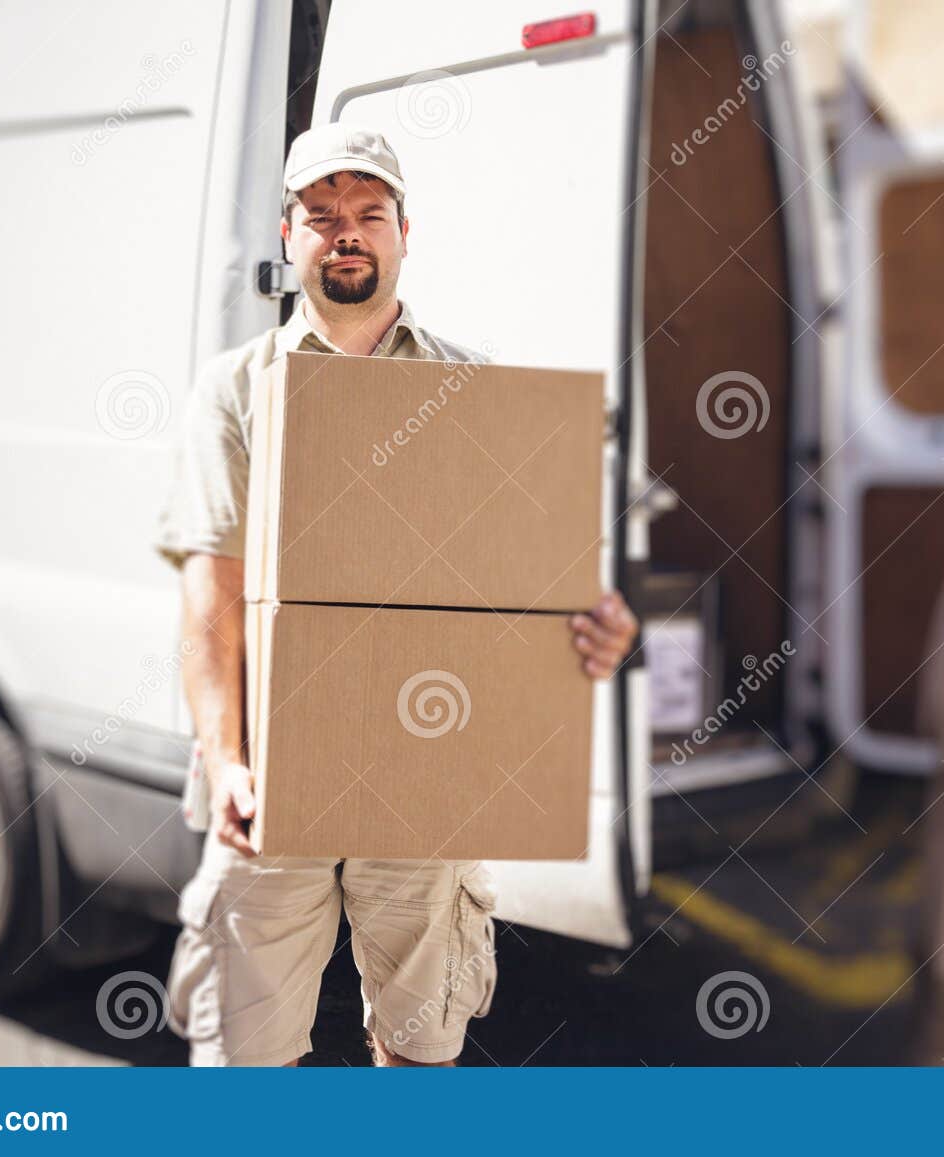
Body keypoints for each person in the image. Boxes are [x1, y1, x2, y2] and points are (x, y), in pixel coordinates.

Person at [153, 123, 638, 1066]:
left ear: (405, 232)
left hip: (429, 770)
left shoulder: (473, 389)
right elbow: (211, 597)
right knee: (243, 1063)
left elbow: (523, 592)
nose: (346, 232)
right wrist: (227, 761)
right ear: (288, 234)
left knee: (421, 1055)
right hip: (269, 781)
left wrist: (591, 628)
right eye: (321, 214)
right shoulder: (234, 390)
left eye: (369, 213)